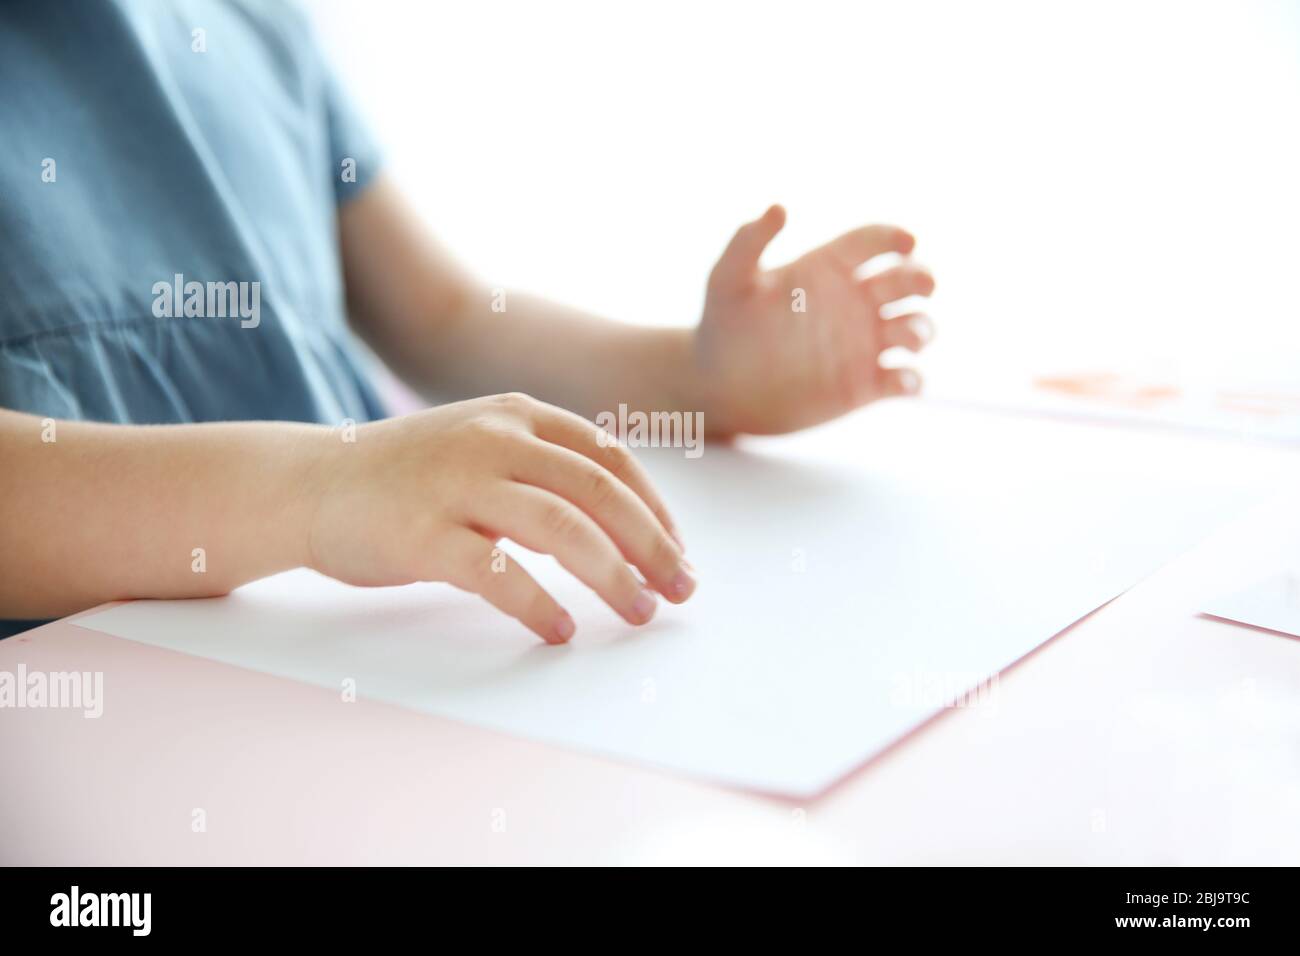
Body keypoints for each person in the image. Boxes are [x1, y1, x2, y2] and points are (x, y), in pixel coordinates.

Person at [0, 0, 935, 642]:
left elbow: (446, 318)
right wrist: (330, 484)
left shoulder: (256, 23)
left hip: (350, 665)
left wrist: (698, 375)